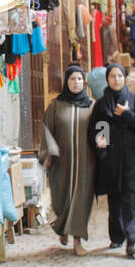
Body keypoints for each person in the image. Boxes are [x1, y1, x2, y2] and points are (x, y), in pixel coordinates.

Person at [90, 62, 135, 259]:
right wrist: (102, 151)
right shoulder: (102, 104)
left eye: (119, 76)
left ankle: (132, 240)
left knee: (130, 200)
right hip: (111, 159)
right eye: (112, 76)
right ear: (107, 79)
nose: (116, 79)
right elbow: (99, 129)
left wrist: (126, 114)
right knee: (114, 200)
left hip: (131, 158)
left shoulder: (134, 100)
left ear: (125, 78)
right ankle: (117, 236)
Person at [40, 64, 95, 256]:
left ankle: (77, 241)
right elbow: (46, 130)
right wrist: (48, 153)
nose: (76, 82)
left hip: (86, 164)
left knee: (81, 200)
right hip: (61, 163)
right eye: (72, 79)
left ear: (84, 82)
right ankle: (63, 227)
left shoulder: (92, 105)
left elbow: (104, 124)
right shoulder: (55, 106)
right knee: (61, 199)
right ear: (67, 82)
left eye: (79, 79)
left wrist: (105, 140)